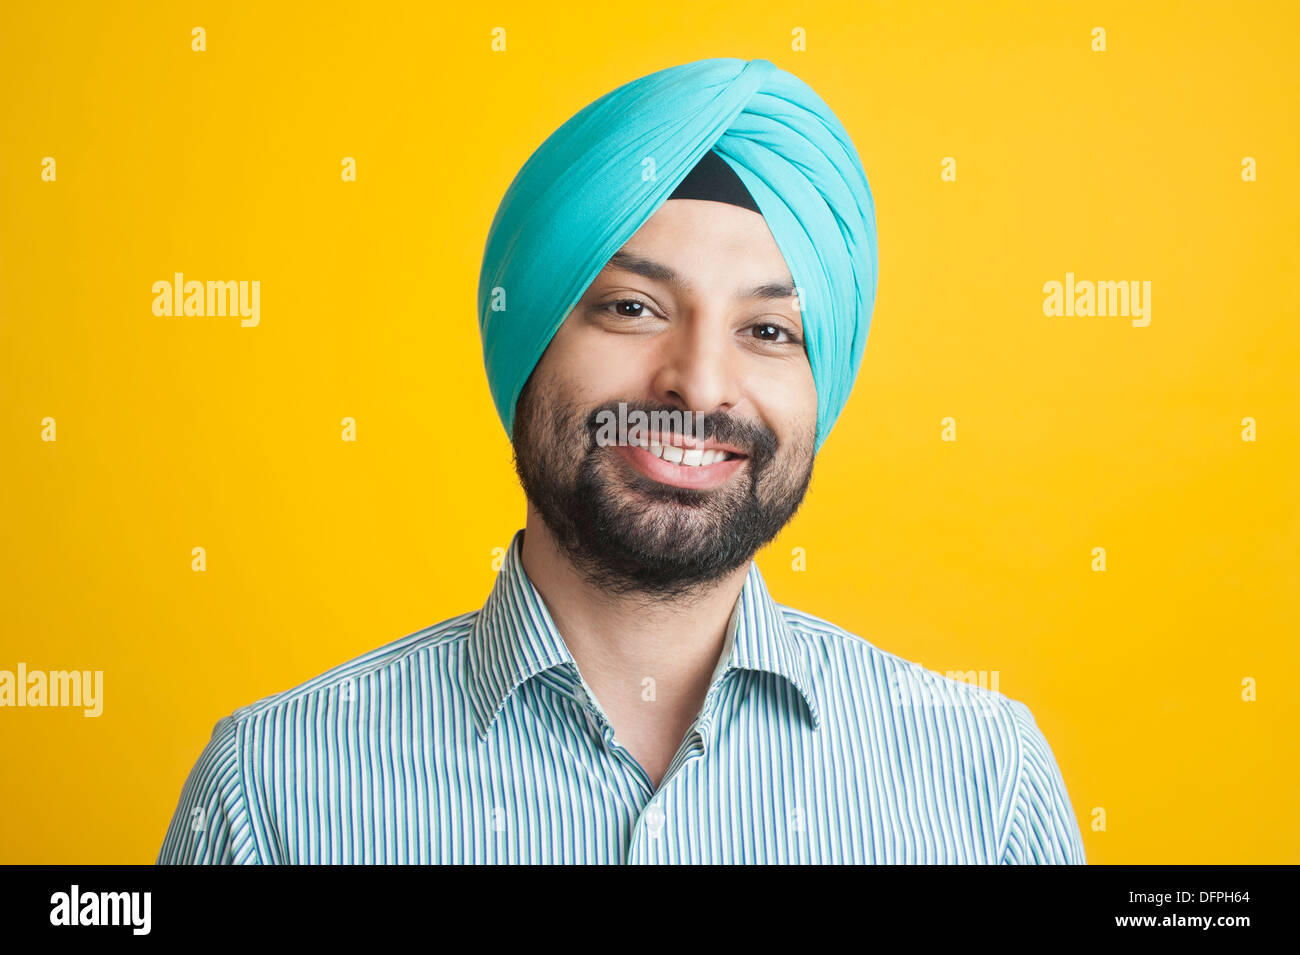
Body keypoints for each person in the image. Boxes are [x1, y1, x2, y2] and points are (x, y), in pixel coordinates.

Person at [158, 56, 1086, 864]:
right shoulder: (273, 789)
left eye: (768, 329)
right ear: (527, 346)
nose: (700, 385)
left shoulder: (983, 781)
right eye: (633, 308)